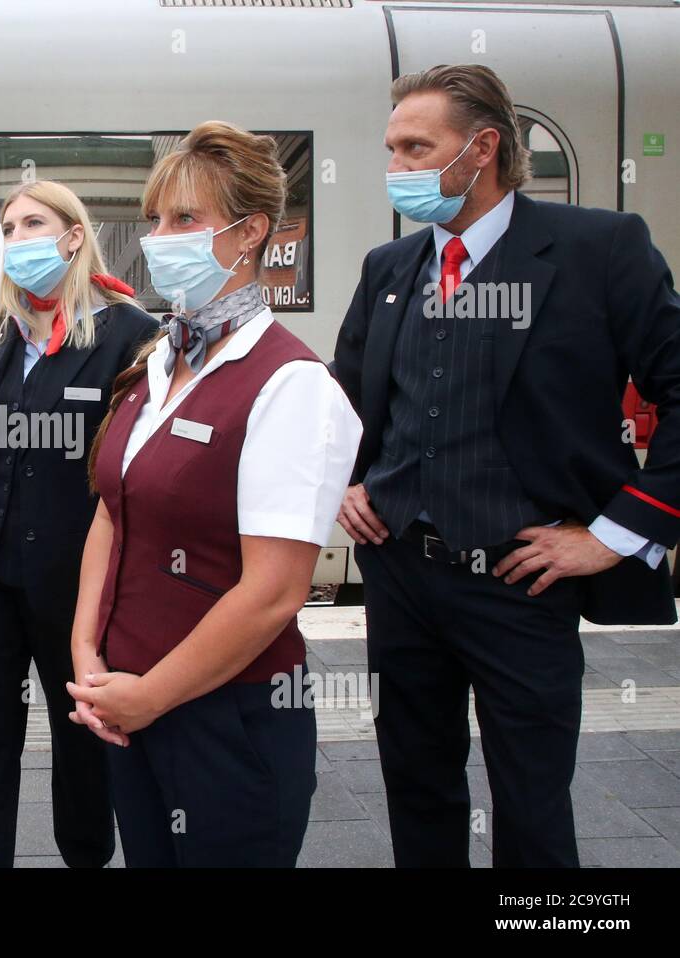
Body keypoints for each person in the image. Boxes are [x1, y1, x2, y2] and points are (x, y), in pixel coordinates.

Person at [332, 64, 680, 867]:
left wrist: (614, 534)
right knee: (416, 789)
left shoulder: (600, 250)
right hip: (402, 578)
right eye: (392, 149)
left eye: (418, 146)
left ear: (482, 147)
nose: (399, 167)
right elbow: (344, 406)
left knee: (530, 805)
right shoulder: (391, 270)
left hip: (524, 584)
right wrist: (349, 482)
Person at [68, 122, 362, 867]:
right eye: (158, 219)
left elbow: (274, 591)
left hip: (228, 724)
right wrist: (86, 647)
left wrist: (152, 694)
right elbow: (113, 507)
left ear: (251, 232)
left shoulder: (291, 385)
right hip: (131, 707)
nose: (160, 237)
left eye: (186, 219)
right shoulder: (157, 362)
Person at [0, 179, 157, 867]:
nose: (18, 240)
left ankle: (85, 857)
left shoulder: (129, 334)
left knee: (84, 742)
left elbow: (135, 466)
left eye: (33, 224)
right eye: (9, 229)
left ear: (73, 235)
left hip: (77, 581)